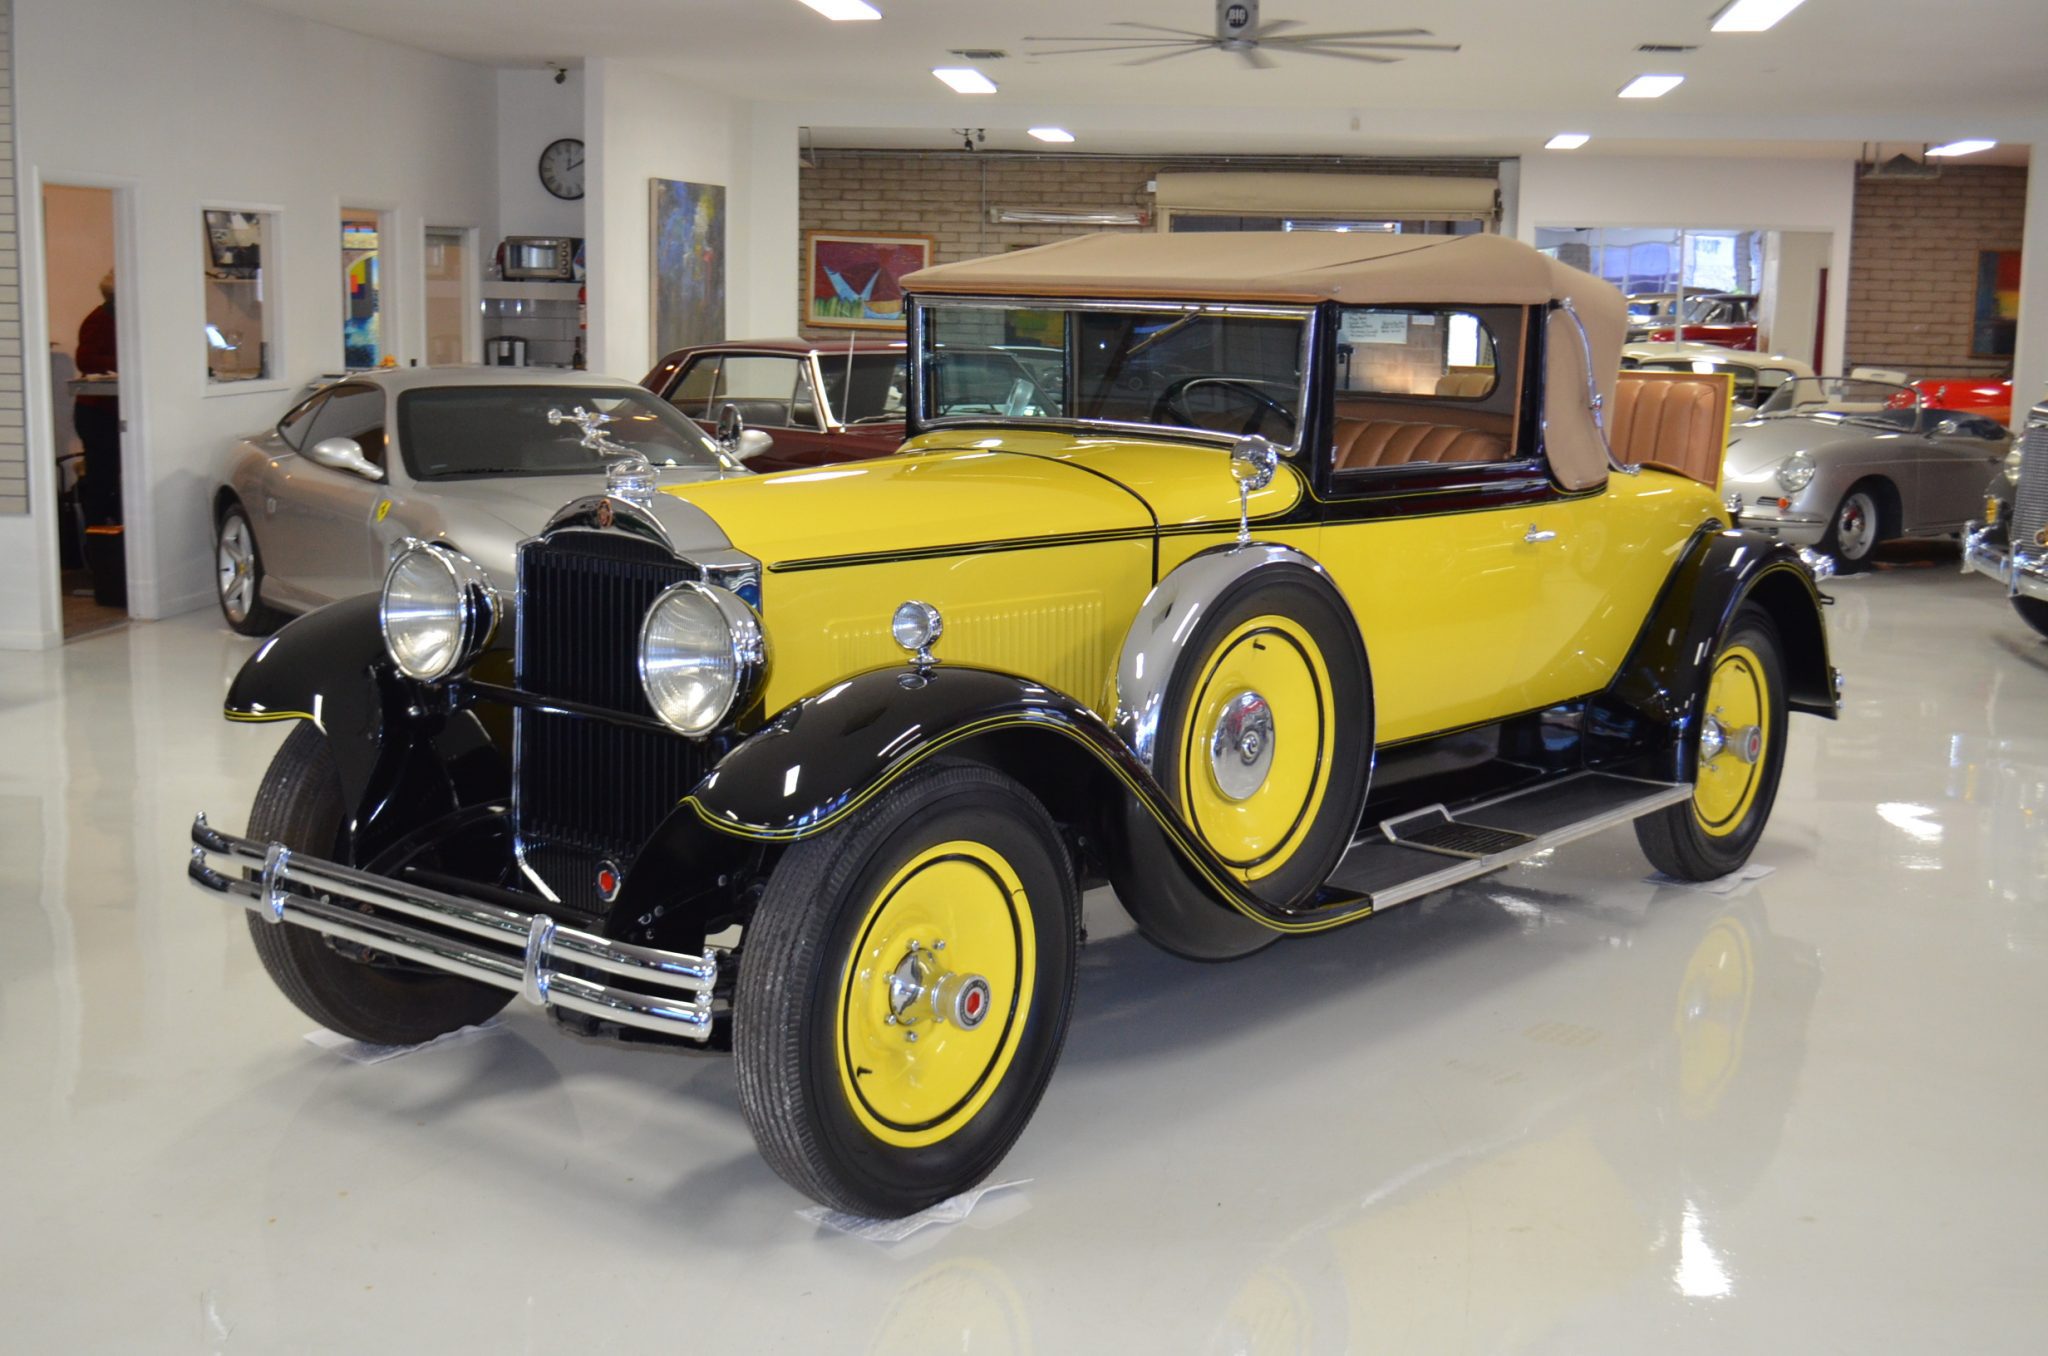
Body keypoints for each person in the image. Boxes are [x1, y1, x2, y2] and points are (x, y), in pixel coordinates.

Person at [74, 270, 121, 526]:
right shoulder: (100, 319)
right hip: (98, 414)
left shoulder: (113, 317)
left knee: (109, 476)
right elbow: (86, 360)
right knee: (102, 478)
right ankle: (99, 541)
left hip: (106, 411)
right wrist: (128, 360)